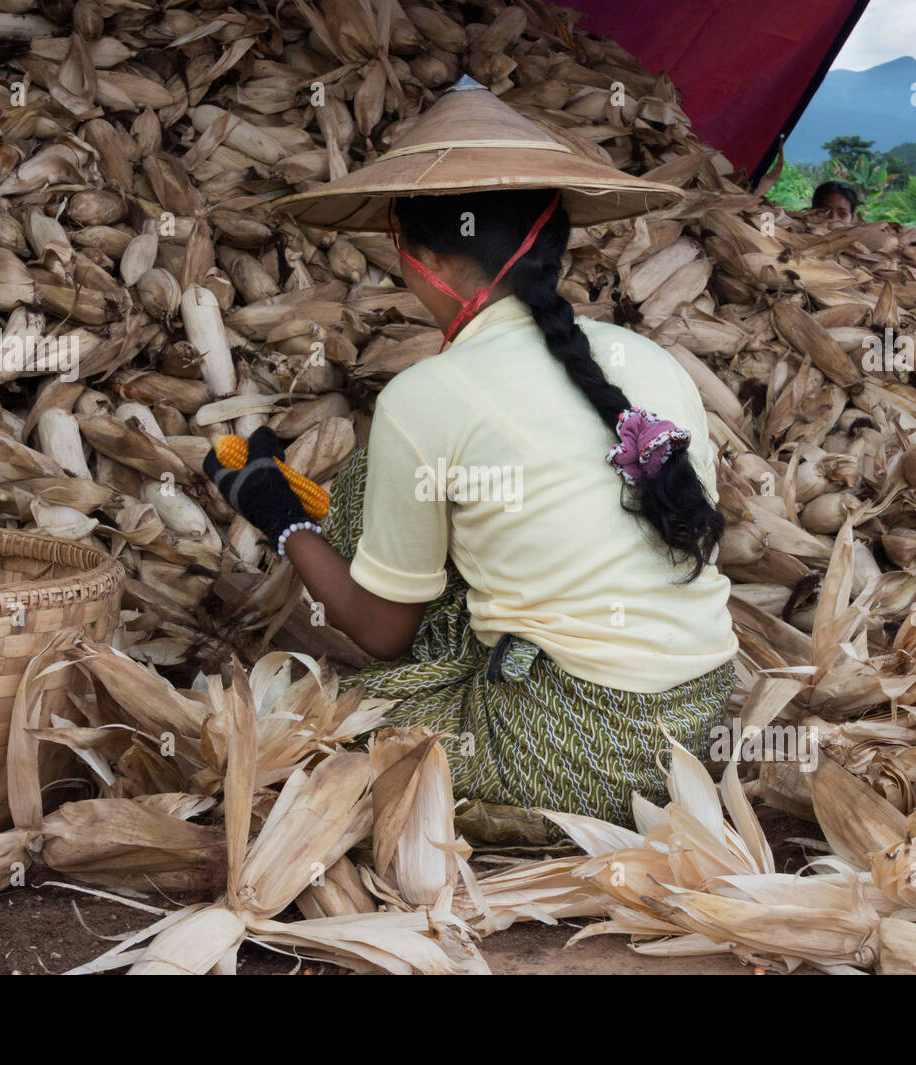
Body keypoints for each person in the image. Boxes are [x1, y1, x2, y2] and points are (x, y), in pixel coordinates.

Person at [204, 76, 739, 832]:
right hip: (704, 714)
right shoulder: (654, 362)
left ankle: (539, 804)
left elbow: (384, 632)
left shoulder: (426, 398)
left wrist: (277, 513)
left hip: (580, 748)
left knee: (331, 727)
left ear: (424, 258)